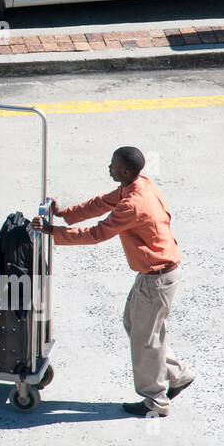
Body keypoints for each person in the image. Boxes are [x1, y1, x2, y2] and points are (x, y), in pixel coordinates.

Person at [32, 147, 193, 417]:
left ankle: (156, 401)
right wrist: (65, 214)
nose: (109, 167)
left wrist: (53, 232)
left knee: (145, 340)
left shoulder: (133, 205)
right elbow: (101, 203)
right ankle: (177, 375)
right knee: (136, 325)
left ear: (126, 172)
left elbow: (97, 233)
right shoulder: (139, 186)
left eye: (114, 165)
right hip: (155, 276)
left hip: (156, 279)